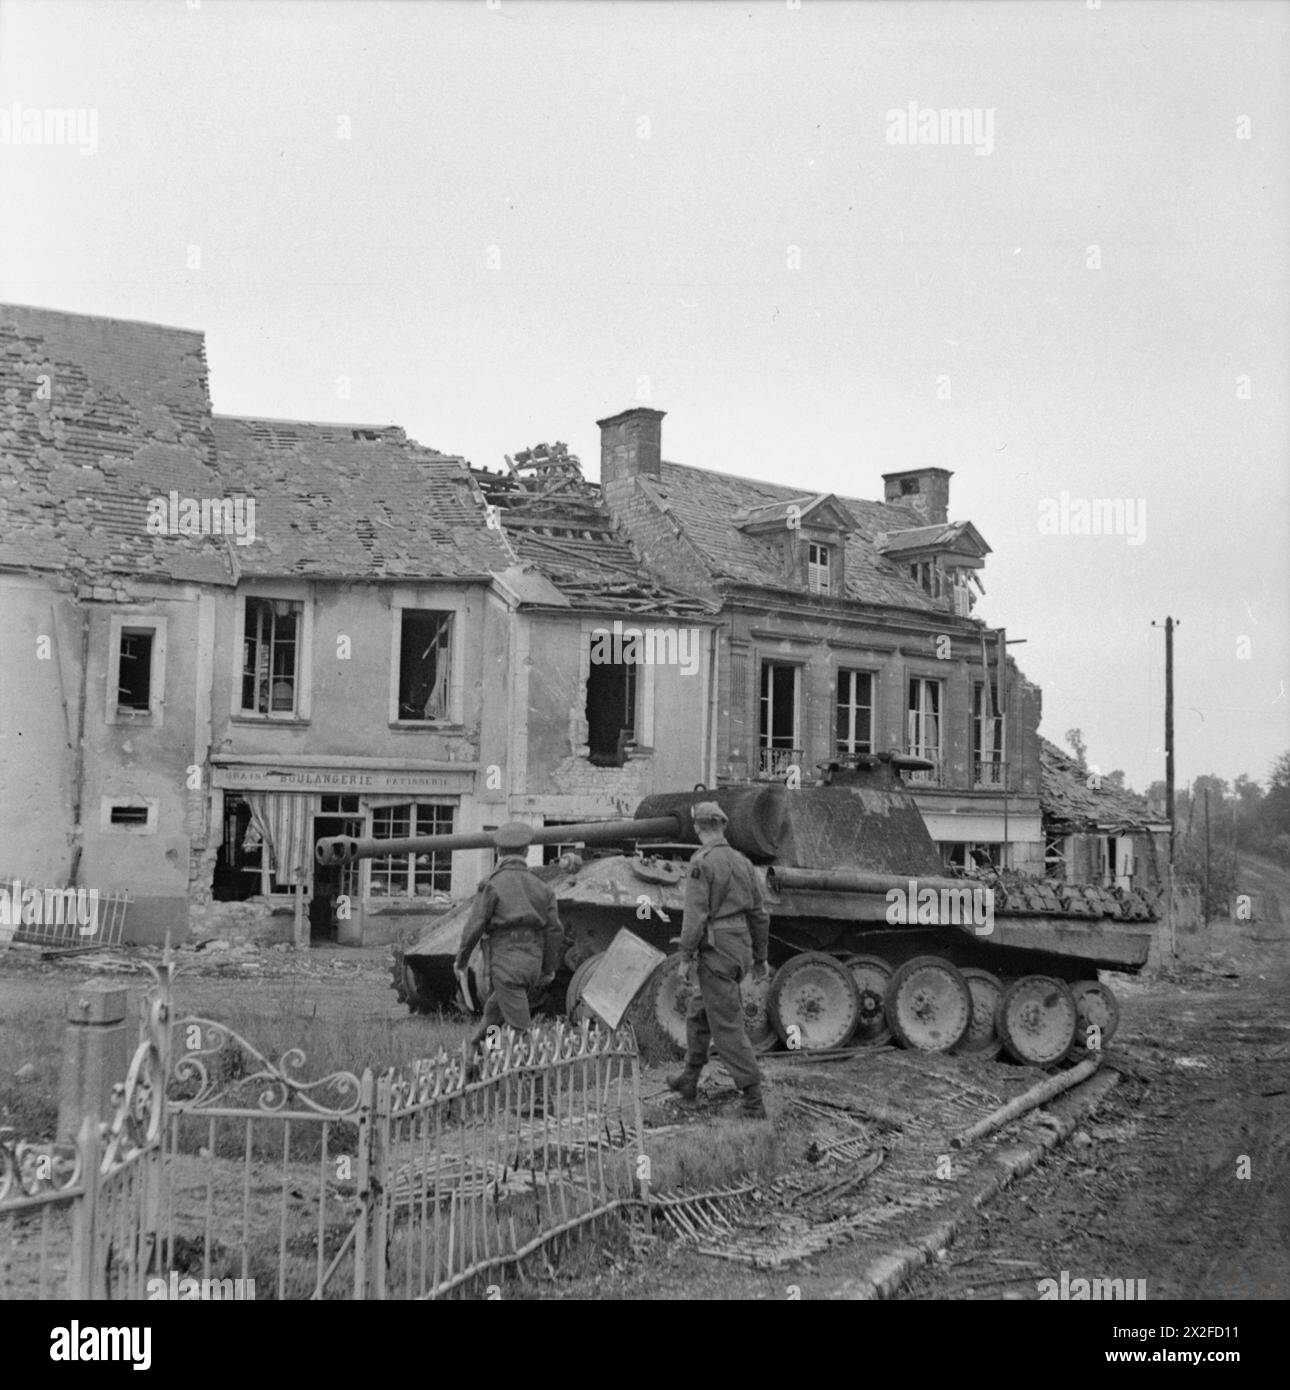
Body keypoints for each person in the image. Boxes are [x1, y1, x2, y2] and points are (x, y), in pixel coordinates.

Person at [667, 801, 771, 1120]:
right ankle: (689, 1079)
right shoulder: (744, 863)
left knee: (726, 1026)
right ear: (723, 827)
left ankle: (754, 1101)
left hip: (716, 952)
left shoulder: (702, 861)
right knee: (700, 1012)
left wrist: (685, 956)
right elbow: (760, 914)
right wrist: (760, 958)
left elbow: (694, 917)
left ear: (698, 828)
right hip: (738, 949)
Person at [453, 822, 564, 1051]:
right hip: (532, 962)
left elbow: (475, 925)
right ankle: (481, 1053)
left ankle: (532, 1074)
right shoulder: (543, 887)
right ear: (526, 852)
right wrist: (548, 968)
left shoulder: (493, 884)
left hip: (505, 962)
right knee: (495, 1013)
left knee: (520, 1025)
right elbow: (554, 930)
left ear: (499, 852)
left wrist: (461, 962)